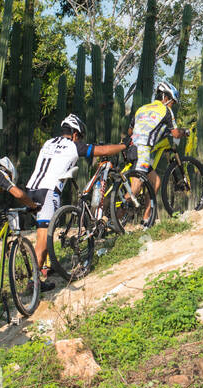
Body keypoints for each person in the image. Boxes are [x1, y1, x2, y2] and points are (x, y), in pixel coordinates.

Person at [25, 114, 127, 278]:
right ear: (75, 134)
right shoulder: (73, 146)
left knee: (41, 233)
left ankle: (41, 269)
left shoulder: (48, 143)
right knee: (43, 238)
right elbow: (102, 151)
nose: (79, 140)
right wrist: (123, 146)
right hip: (49, 191)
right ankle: (34, 281)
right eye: (79, 137)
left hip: (31, 190)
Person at [126, 81, 185, 222]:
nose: (172, 105)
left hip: (132, 147)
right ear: (165, 97)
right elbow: (176, 134)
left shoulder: (142, 108)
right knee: (136, 188)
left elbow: (130, 131)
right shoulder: (166, 111)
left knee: (156, 181)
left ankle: (146, 218)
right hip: (143, 150)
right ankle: (113, 218)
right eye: (172, 102)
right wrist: (185, 132)